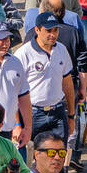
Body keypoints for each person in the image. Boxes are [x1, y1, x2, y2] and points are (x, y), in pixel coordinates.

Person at [12, 12, 75, 147]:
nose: (53, 34)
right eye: (48, 30)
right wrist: (17, 123)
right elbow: (14, 91)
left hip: (58, 112)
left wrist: (71, 116)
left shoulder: (61, 50)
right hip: (32, 113)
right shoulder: (24, 54)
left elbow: (68, 84)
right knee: (30, 155)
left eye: (56, 30)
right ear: (37, 30)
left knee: (58, 154)